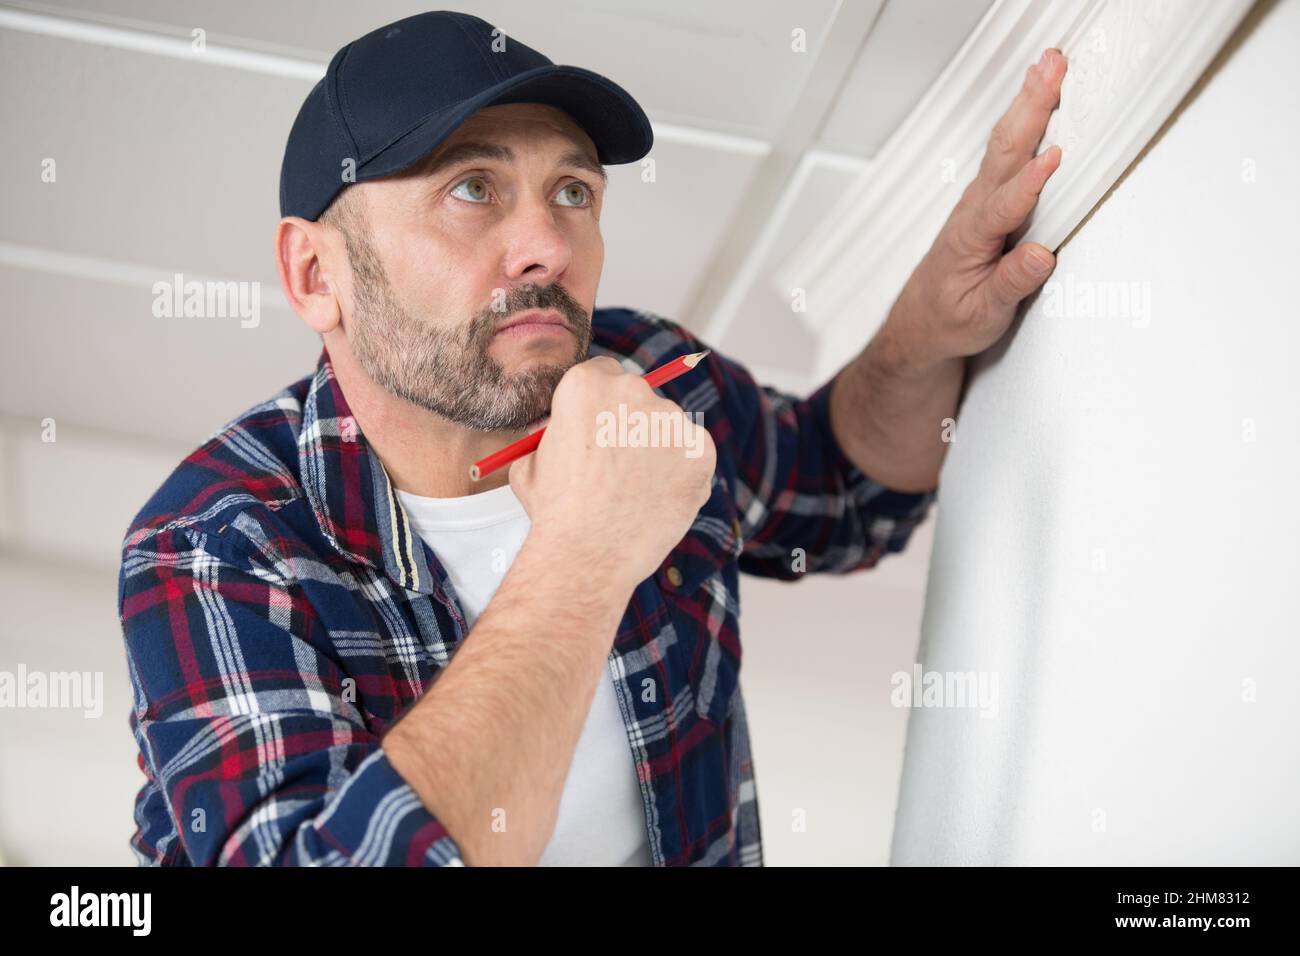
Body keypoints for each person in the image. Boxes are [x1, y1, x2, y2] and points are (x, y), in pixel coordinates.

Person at [118, 11, 1066, 866]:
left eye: (572, 190)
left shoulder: (648, 373)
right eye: (473, 187)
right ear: (315, 272)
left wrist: (925, 328)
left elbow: (845, 487)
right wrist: (583, 555)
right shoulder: (213, 544)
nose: (548, 245)